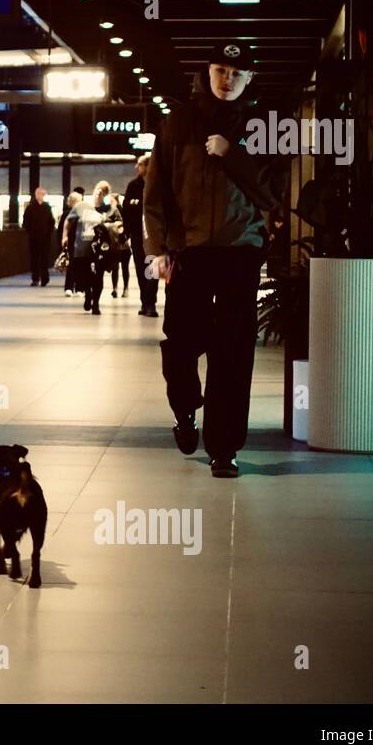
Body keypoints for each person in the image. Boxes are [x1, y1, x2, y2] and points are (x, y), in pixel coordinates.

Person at [143, 41, 289, 478]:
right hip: (188, 252)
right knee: (181, 344)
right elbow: (156, 194)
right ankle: (185, 410)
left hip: (239, 253)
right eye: (220, 70)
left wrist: (233, 155)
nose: (227, 80)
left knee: (232, 352)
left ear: (250, 80)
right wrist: (158, 251)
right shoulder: (176, 124)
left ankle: (224, 448)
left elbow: (273, 195)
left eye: (237, 73)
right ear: (206, 72)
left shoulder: (264, 129)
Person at [123, 155, 158, 317]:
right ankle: (145, 302)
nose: (136, 168)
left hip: (154, 235)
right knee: (140, 268)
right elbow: (126, 210)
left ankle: (151, 303)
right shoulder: (133, 186)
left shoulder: (158, 184)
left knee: (153, 269)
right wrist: (127, 232)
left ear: (147, 166)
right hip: (137, 235)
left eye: (139, 164)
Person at [68, 184, 105, 314]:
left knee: (98, 277)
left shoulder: (108, 209)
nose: (98, 196)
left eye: (100, 194)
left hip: (100, 249)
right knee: (85, 275)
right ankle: (89, 295)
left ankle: (96, 303)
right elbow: (68, 225)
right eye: (96, 194)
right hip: (83, 249)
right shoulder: (82, 210)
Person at [22, 187, 55, 286]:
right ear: (36, 195)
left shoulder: (47, 207)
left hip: (45, 238)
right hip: (34, 238)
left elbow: (51, 221)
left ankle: (45, 278)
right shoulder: (30, 207)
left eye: (43, 194)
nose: (42, 196)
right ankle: (35, 278)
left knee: (44, 258)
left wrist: (49, 232)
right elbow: (26, 222)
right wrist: (30, 232)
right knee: (34, 258)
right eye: (40, 194)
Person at [59, 191, 83, 296]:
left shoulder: (78, 213)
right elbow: (62, 229)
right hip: (74, 242)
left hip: (76, 242)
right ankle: (76, 288)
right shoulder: (70, 214)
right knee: (75, 264)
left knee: (75, 264)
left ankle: (73, 288)